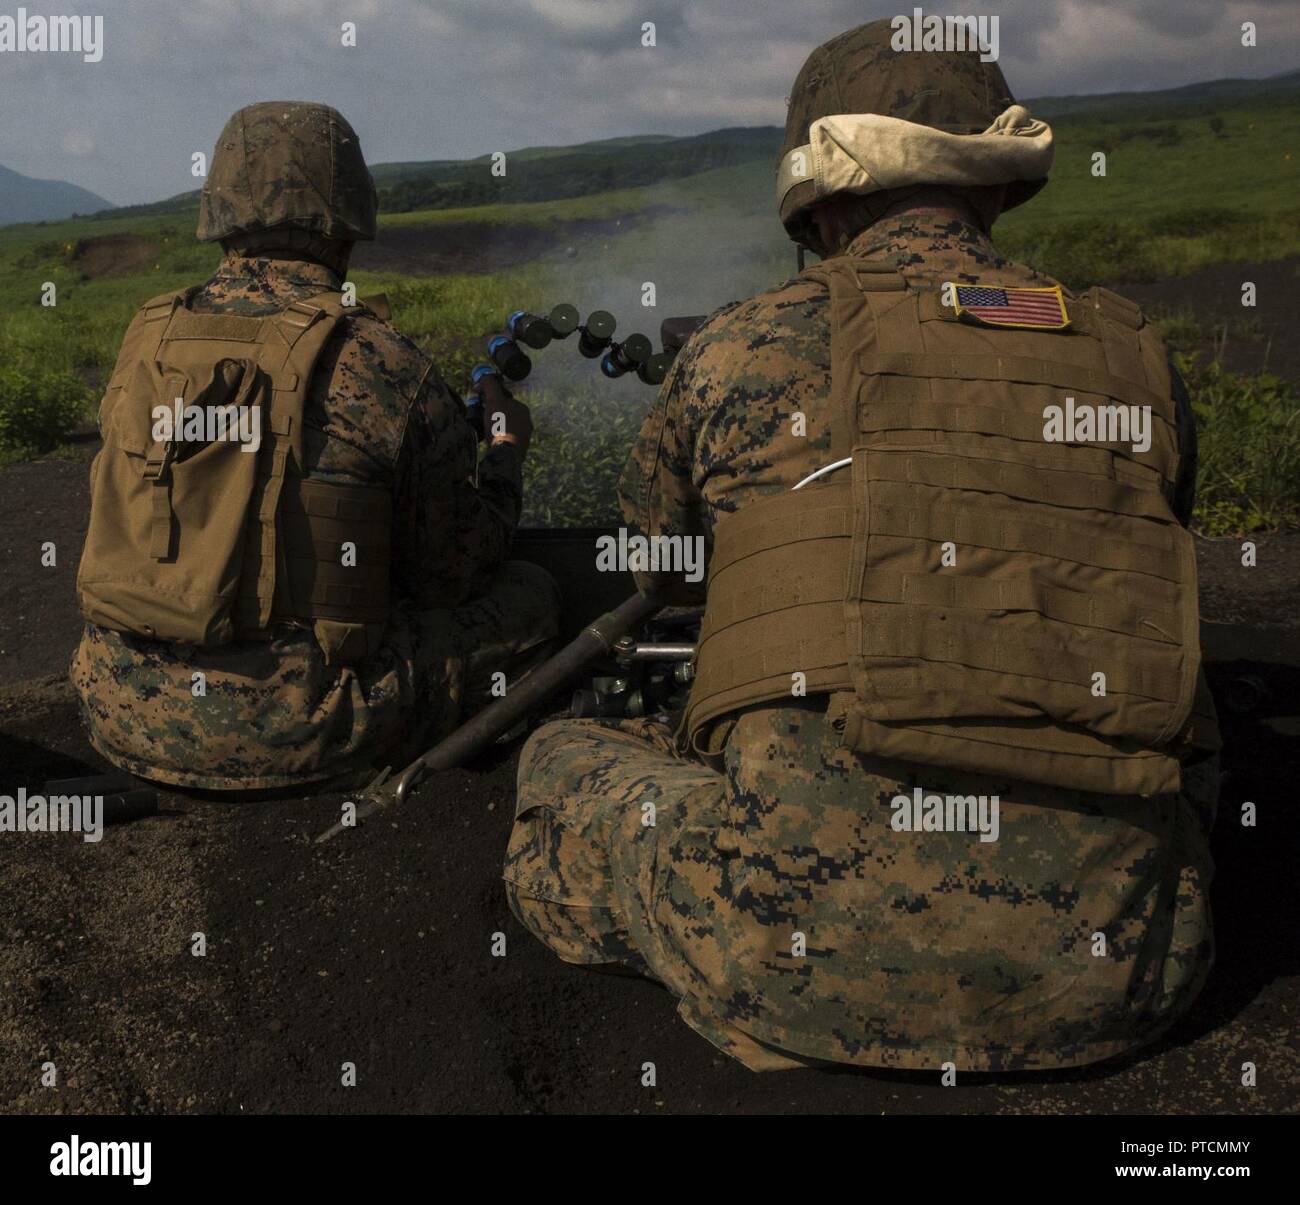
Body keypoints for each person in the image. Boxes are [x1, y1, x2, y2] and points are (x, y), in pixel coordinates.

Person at [504, 21, 1220, 1072]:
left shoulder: (736, 346)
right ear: (991, 190)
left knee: (565, 756)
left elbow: (659, 570)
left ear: (822, 200)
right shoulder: (1130, 352)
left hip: (774, 954)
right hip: (1127, 970)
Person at [73, 101, 558, 791]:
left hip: (116, 704)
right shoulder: (379, 359)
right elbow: (458, 569)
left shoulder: (144, 334)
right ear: (348, 214)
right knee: (531, 597)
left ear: (220, 212)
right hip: (293, 727)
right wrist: (505, 452)